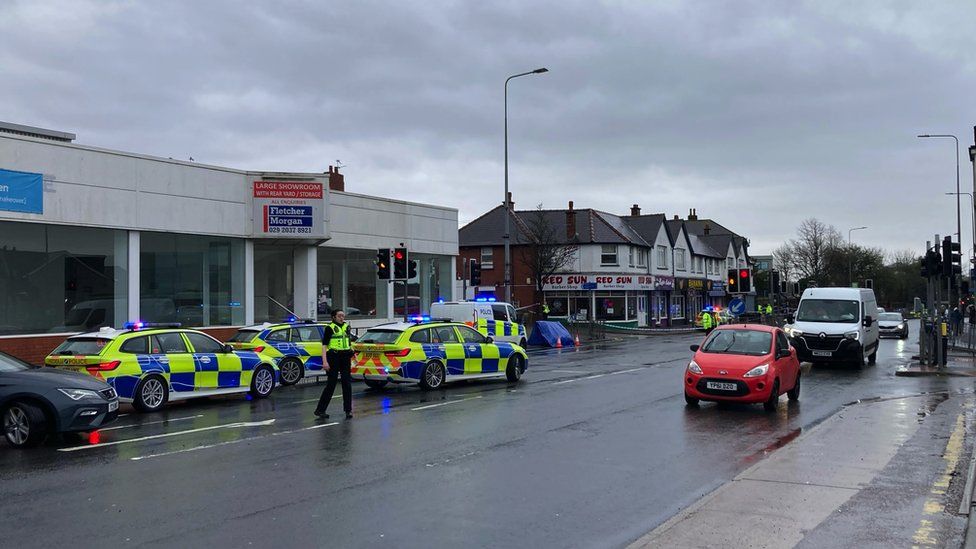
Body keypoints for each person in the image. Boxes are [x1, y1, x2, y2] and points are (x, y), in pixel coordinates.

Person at [314, 310, 357, 419]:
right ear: (334, 317)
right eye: (339, 316)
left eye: (343, 315)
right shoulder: (330, 328)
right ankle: (320, 410)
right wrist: (325, 362)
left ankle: (348, 410)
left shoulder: (346, 327)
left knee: (347, 384)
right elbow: (324, 346)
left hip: (345, 356)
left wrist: (353, 354)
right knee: (331, 384)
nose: (342, 318)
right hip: (333, 357)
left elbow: (348, 342)